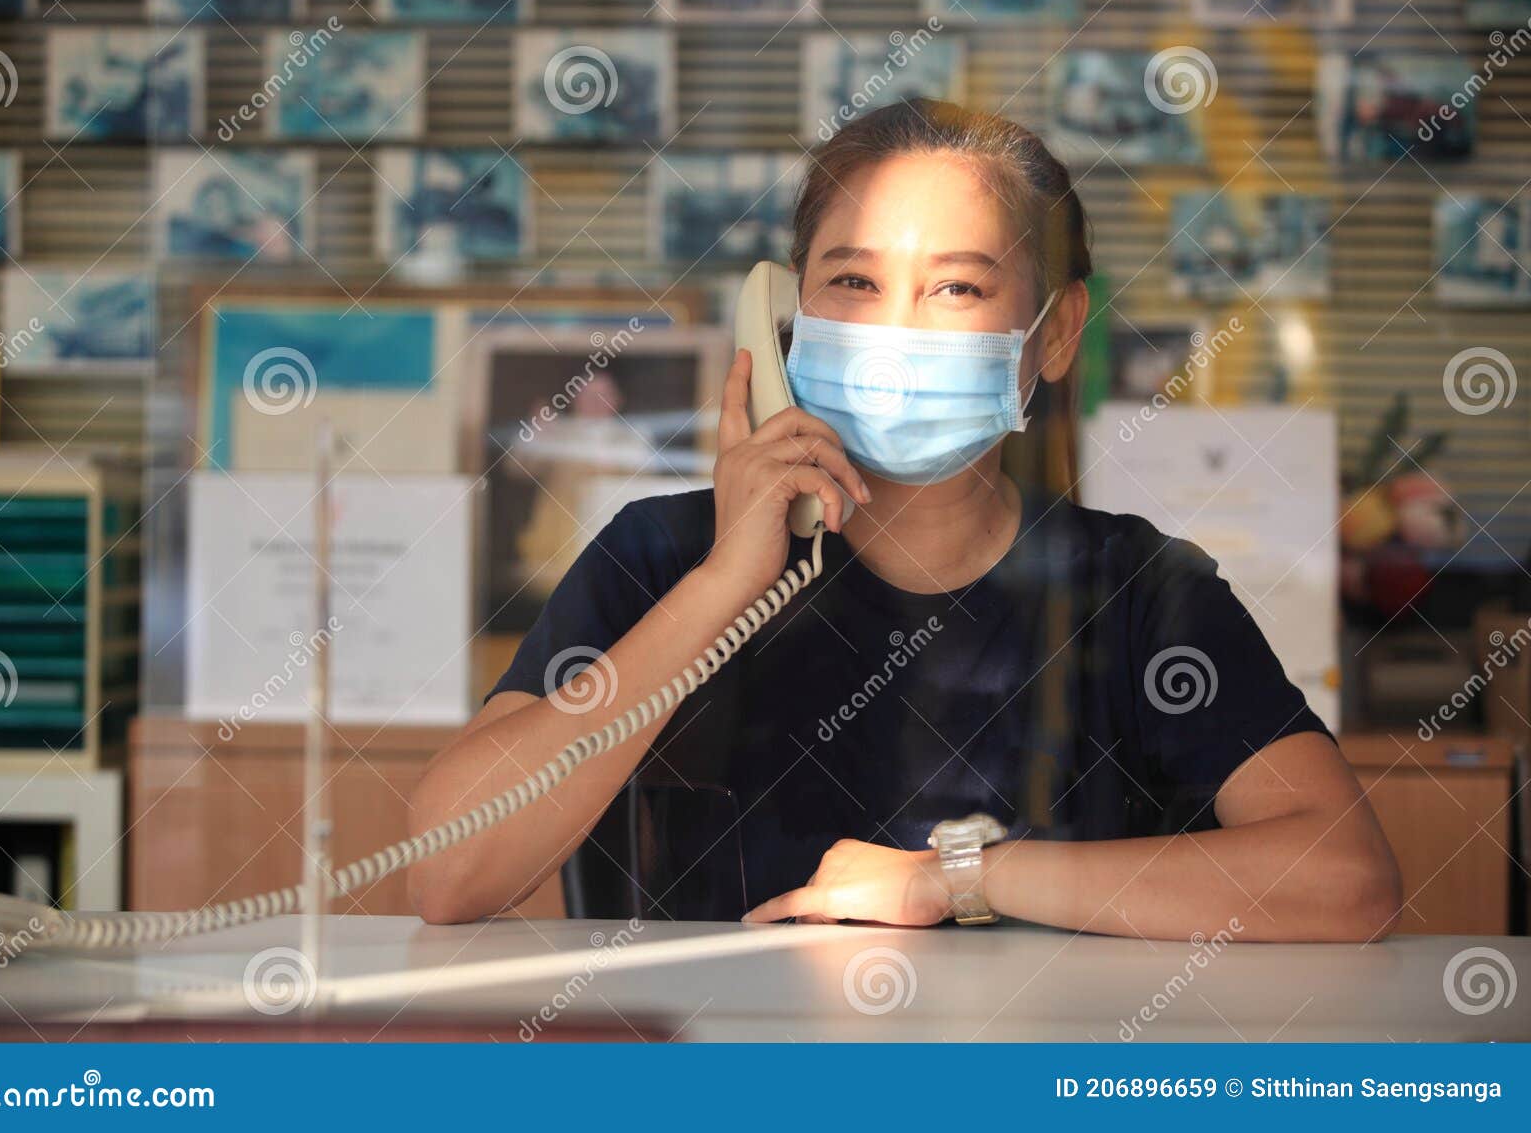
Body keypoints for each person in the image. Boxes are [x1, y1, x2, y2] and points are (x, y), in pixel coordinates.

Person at [409, 99, 1401, 941]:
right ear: (787, 307)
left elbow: (1345, 878)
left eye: (956, 287)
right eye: (852, 281)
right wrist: (720, 586)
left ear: (1053, 331)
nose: (892, 330)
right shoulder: (660, 553)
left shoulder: (1140, 591)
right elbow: (448, 873)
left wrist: (957, 877)